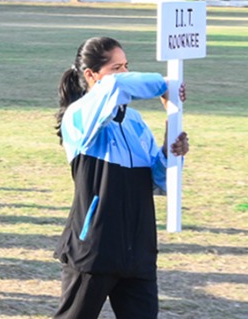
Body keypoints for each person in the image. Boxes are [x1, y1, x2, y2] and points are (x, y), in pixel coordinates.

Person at [52, 36, 189, 319]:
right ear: (90, 75)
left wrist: (169, 150)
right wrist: (166, 83)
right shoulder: (78, 116)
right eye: (117, 67)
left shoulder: (135, 121)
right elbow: (114, 87)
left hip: (138, 248)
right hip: (95, 247)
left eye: (126, 66)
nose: (125, 74)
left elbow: (158, 181)